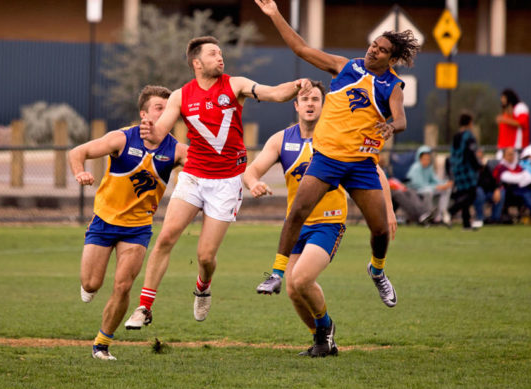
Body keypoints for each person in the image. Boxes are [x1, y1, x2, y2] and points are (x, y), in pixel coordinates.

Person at [255, 0, 420, 353]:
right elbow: (300, 49)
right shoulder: (345, 66)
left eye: (379, 49)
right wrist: (275, 15)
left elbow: (402, 116)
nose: (371, 50)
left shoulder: (392, 85)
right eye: (372, 45)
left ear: (391, 58)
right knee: (297, 209)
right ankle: (276, 273)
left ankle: (377, 270)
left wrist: (393, 127)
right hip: (328, 158)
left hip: (361, 163)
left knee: (379, 229)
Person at [123, 36, 312, 331]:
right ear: (197, 63)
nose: (220, 57)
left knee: (206, 256)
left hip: (227, 182)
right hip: (194, 176)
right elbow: (159, 134)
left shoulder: (235, 85)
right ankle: (144, 307)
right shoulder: (180, 96)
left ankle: (203, 286)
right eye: (213, 54)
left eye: (221, 53)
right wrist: (148, 131)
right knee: (166, 237)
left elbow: (273, 93)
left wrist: (296, 86)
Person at [243, 81, 397, 357]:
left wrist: (388, 209)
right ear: (296, 105)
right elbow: (251, 170)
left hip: (328, 223)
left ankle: (326, 328)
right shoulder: (281, 140)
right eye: (305, 99)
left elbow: (374, 172)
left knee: (301, 279)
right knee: (292, 290)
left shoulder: (340, 137)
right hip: (296, 227)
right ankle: (323, 340)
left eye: (316, 98)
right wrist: (253, 183)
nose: (311, 103)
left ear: (324, 105)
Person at [68, 85, 187, 361]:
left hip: (138, 228)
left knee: (123, 286)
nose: (165, 113)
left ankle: (102, 344)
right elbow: (77, 152)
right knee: (92, 283)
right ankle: (88, 287)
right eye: (159, 108)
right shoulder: (122, 139)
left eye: (169, 109)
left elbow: (202, 166)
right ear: (143, 114)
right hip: (104, 221)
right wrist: (80, 173)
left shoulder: (177, 150)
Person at [488, 146, 531, 226]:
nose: (511, 157)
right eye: (509, 154)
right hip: (509, 193)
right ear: (504, 156)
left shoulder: (517, 167)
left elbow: (530, 177)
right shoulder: (501, 168)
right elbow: (509, 179)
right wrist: (522, 177)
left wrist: (521, 178)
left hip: (521, 189)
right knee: (527, 195)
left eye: (513, 154)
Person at [448, 112, 484, 230]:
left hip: (457, 170)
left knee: (463, 195)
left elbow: (452, 154)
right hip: (467, 170)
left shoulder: (455, 136)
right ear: (469, 123)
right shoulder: (469, 136)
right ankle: (451, 210)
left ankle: (466, 224)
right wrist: (478, 165)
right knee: (471, 195)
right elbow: (471, 154)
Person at [404, 145, 452, 225]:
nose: (426, 160)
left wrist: (445, 184)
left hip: (429, 188)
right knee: (428, 192)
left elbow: (435, 180)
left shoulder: (429, 168)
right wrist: (436, 187)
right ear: (419, 158)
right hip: (417, 191)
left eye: (428, 158)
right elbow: (418, 184)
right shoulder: (415, 168)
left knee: (447, 189)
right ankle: (428, 215)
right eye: (424, 158)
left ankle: (440, 215)